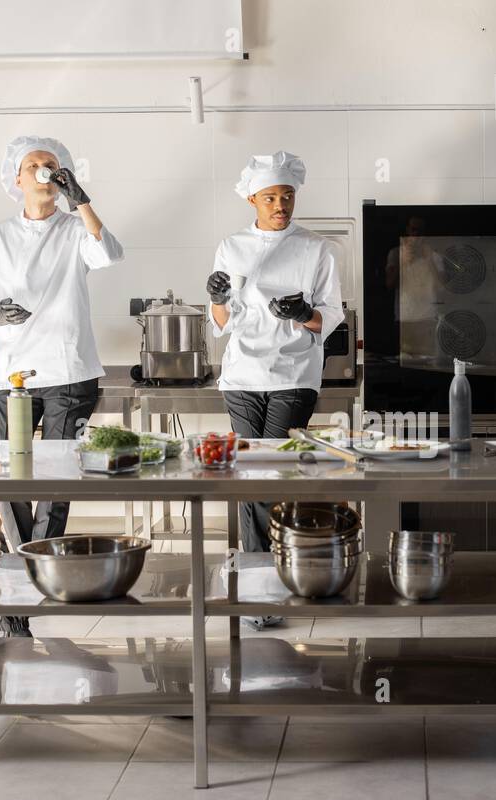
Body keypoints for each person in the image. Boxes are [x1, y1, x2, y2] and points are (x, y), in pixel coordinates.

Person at [0, 135, 123, 636]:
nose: (44, 171)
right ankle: (19, 589)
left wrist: (82, 199)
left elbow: (109, 254)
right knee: (11, 482)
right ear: (16, 180)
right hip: (14, 375)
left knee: (56, 484)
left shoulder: (73, 228)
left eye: (53, 165)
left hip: (71, 373)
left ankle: (28, 586)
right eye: (35, 165)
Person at [206, 150, 344, 629]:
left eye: (287, 196)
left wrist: (302, 313)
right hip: (242, 375)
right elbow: (222, 323)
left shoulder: (318, 249)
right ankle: (262, 585)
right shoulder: (232, 246)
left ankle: (268, 583)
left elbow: (331, 316)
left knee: (274, 473)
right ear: (252, 199)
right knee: (250, 475)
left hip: (294, 375)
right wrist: (217, 298)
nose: (281, 204)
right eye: (270, 197)